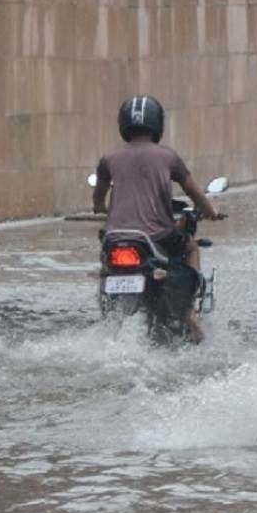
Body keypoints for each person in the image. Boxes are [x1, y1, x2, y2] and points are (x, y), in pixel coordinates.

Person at [93, 95, 221, 343]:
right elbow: (193, 192)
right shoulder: (168, 156)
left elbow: (98, 200)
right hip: (154, 237)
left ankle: (108, 313)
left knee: (105, 267)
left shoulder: (108, 159)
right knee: (191, 247)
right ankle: (190, 313)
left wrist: (100, 208)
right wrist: (210, 211)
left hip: (115, 238)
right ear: (157, 124)